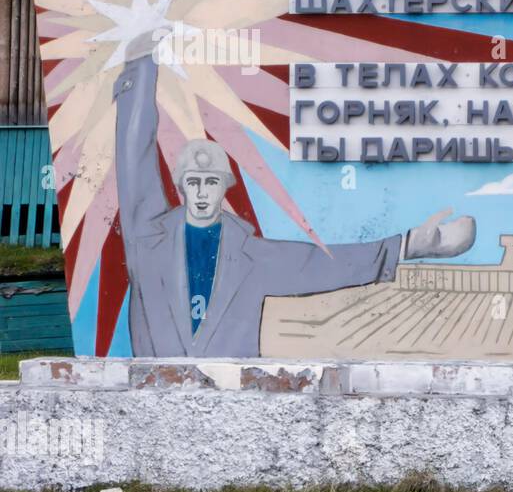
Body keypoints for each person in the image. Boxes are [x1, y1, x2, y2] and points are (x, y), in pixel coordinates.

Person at [112, 53, 474, 357]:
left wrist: (411, 244)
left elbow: (327, 265)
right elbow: (134, 159)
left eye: (211, 182)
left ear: (224, 188)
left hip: (230, 408)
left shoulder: (252, 257)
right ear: (180, 186)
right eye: (193, 182)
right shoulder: (148, 240)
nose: (202, 192)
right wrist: (140, 62)